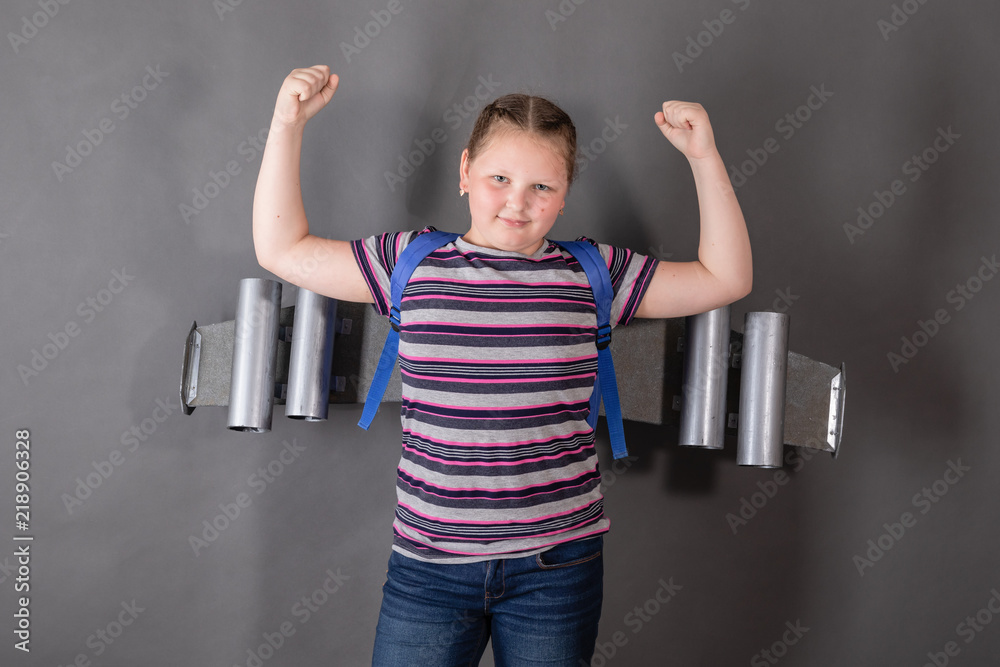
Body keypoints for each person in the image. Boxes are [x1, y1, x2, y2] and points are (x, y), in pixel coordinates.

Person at [253, 65, 751, 666]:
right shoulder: (408, 263)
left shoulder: (592, 274)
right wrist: (286, 124)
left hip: (557, 567)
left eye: (543, 187)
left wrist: (704, 155)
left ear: (566, 194)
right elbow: (282, 249)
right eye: (499, 177)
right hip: (427, 569)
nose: (517, 201)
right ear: (465, 172)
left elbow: (727, 278)